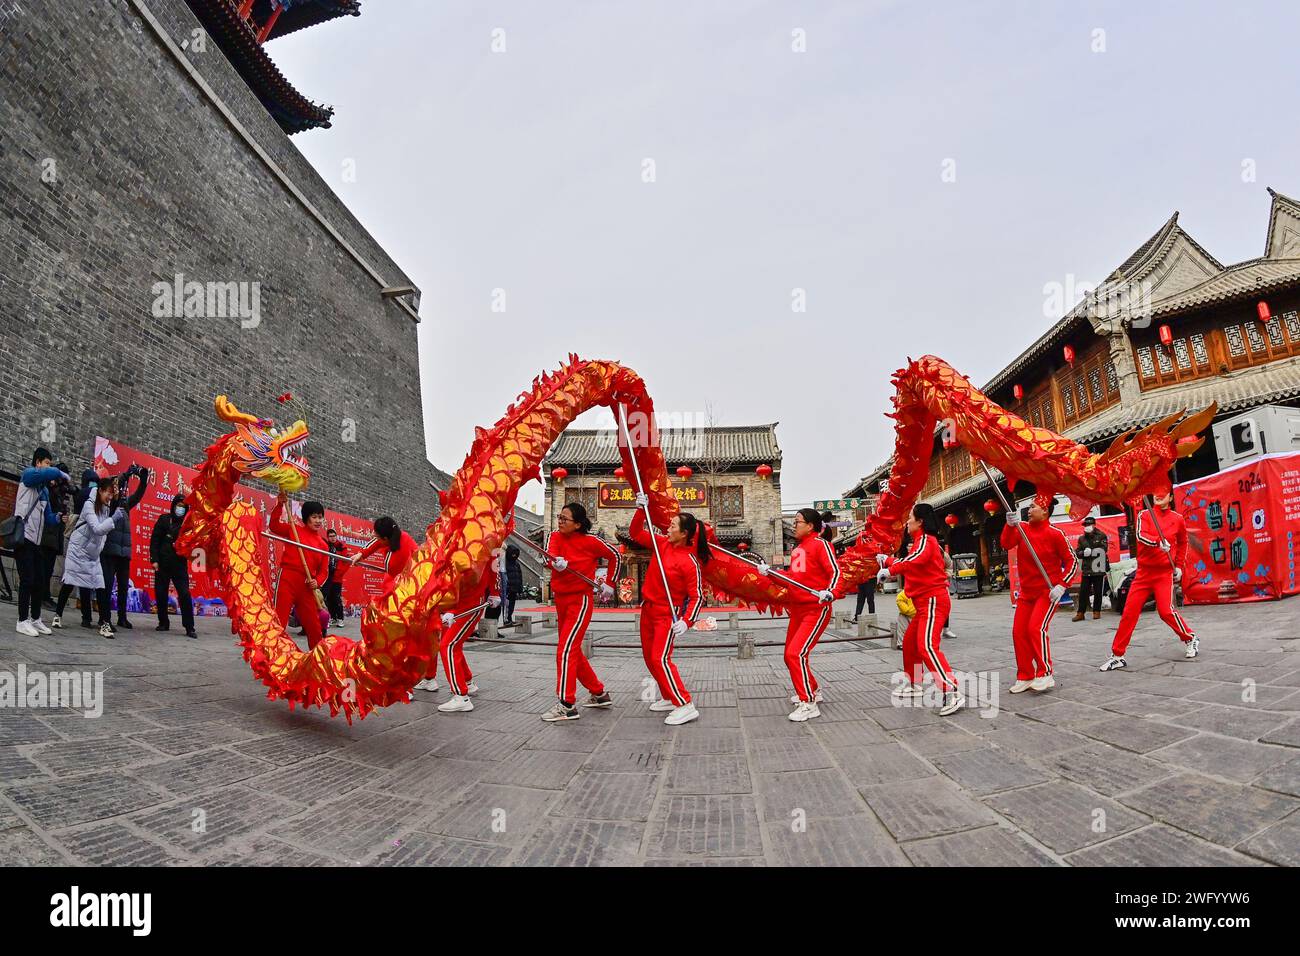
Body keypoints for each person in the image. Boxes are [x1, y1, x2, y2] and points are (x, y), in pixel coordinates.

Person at [878, 503, 964, 715]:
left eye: (910, 518)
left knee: (927, 646)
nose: (907, 522)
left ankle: (951, 690)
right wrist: (888, 560)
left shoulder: (926, 540)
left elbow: (913, 562)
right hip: (924, 602)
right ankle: (914, 684)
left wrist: (889, 568)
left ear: (920, 522)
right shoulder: (920, 541)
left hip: (933, 600)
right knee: (909, 643)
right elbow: (911, 561)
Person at [1100, 481, 1197, 671]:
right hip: (1143, 572)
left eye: (1163, 493)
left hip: (1163, 573)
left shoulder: (1177, 519)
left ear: (1170, 497)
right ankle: (1118, 655)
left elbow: (1183, 543)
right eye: (1156, 492)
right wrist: (1157, 543)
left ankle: (1190, 637)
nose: (1158, 495)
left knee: (1165, 611)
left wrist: (1178, 566)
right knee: (1129, 612)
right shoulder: (1144, 515)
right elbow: (1140, 535)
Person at [630, 493, 706, 726]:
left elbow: (697, 596)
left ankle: (685, 703)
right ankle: (667, 695)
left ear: (684, 533)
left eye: (672, 525)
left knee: (660, 658)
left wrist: (687, 620)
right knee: (649, 658)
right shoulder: (661, 543)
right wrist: (641, 510)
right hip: (648, 609)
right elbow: (635, 534)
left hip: (666, 613)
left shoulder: (689, 561)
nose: (667, 528)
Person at [540, 502, 620, 721]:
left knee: (565, 650)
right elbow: (549, 556)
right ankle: (599, 693)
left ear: (577, 524)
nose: (560, 521)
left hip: (580, 600)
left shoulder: (591, 542)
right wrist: (554, 563)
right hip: (561, 600)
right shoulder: (555, 536)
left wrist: (610, 583)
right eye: (559, 516)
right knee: (571, 649)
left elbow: (615, 556)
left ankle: (566, 704)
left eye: (565, 518)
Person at [759, 508, 839, 721]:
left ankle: (809, 702)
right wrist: (771, 573)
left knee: (796, 654)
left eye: (797, 522)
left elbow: (836, 572)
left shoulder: (821, 545)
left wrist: (830, 592)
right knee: (790, 655)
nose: (794, 526)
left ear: (810, 526)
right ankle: (813, 689)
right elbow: (792, 579)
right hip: (798, 609)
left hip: (816, 608)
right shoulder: (798, 550)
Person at [1000, 494, 1076, 693]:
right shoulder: (1022, 529)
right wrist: (1009, 525)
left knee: (1036, 628)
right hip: (1026, 593)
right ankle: (1025, 675)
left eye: (1033, 507)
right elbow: (1006, 544)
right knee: (1018, 632)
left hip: (1047, 592)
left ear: (1045, 511)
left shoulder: (1055, 534)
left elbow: (1072, 561)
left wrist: (1061, 585)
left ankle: (1045, 673)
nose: (1029, 510)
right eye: (1029, 507)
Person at [352, 516, 425, 683]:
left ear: (386, 538)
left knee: (403, 638)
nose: (375, 537)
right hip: (394, 589)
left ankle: (405, 679)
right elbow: (375, 542)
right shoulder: (394, 537)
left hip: (406, 594)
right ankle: (422, 677)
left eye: (378, 536)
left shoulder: (402, 552)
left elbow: (405, 579)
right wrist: (361, 554)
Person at [57, 476, 126, 638]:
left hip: (92, 554)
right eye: (108, 493)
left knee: (101, 587)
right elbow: (97, 528)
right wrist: (114, 518)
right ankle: (57, 615)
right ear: (100, 491)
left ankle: (105, 623)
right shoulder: (89, 505)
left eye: (112, 493)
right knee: (69, 582)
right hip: (78, 551)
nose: (110, 497)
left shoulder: (106, 507)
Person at [11, 448, 70, 636]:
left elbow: (48, 518)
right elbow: (49, 474)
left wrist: (58, 518)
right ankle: (22, 620)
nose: (49, 467)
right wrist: (60, 473)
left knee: (39, 581)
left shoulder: (44, 490)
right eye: (46, 463)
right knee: (27, 580)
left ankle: (35, 619)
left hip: (35, 542)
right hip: (23, 539)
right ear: (38, 463)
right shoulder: (28, 476)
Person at [270, 493, 329, 650]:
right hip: (288, 579)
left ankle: (317, 659)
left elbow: (324, 571)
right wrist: (279, 505)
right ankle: (273, 657)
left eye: (320, 517)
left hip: (307, 586)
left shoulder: (323, 545)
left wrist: (317, 582)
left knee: (314, 626)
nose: (318, 521)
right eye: (314, 517)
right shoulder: (294, 531)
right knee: (279, 620)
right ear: (306, 517)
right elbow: (273, 526)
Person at [436, 572, 500, 714]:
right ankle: (467, 682)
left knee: (448, 646)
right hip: (465, 602)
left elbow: (462, 574)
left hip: (467, 604)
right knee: (454, 644)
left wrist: (451, 608)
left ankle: (461, 697)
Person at [100, 464, 149, 630]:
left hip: (124, 553)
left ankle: (122, 617)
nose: (121, 493)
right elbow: (114, 485)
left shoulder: (126, 504)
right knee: (107, 586)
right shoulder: (110, 505)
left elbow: (139, 494)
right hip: (110, 551)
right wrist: (125, 475)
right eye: (118, 490)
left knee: (123, 588)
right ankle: (104, 619)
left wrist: (143, 479)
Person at [149, 493, 197, 638]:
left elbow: (193, 545)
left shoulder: (188, 525)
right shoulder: (164, 520)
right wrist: (154, 560)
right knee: (161, 593)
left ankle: (189, 627)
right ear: (173, 505)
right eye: (178, 506)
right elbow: (155, 541)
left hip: (179, 565)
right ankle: (163, 622)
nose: (180, 509)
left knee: (184, 594)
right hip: (162, 563)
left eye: (183, 507)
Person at [39, 462, 73, 615]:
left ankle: (45, 596)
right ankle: (42, 597)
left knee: (49, 568)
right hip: (47, 536)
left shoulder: (60, 493)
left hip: (54, 535)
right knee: (44, 569)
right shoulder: (50, 489)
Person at [1073, 516, 1109, 621]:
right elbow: (1077, 552)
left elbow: (1104, 549)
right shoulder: (1082, 538)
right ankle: (1080, 613)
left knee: (1098, 591)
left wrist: (1092, 551)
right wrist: (1083, 553)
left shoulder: (1101, 535)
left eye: (1090, 525)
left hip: (1098, 567)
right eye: (1086, 525)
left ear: (1094, 525)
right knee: (1083, 592)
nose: (1088, 527)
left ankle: (1096, 611)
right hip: (1087, 568)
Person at [322, 528, 348, 627]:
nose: (332, 538)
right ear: (328, 537)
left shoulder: (342, 547)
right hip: (328, 576)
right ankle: (333, 617)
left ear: (336, 536)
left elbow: (346, 563)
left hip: (337, 577)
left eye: (334, 536)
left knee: (337, 598)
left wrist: (339, 573)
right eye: (330, 536)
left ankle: (340, 619)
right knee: (328, 598)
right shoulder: (326, 546)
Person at [501, 544, 523, 626]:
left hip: (515, 588)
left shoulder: (516, 564)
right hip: (507, 588)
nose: (514, 555)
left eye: (515, 554)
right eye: (512, 553)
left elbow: (520, 576)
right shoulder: (504, 563)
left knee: (512, 605)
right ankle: (506, 620)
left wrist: (520, 588)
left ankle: (509, 618)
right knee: (506, 605)